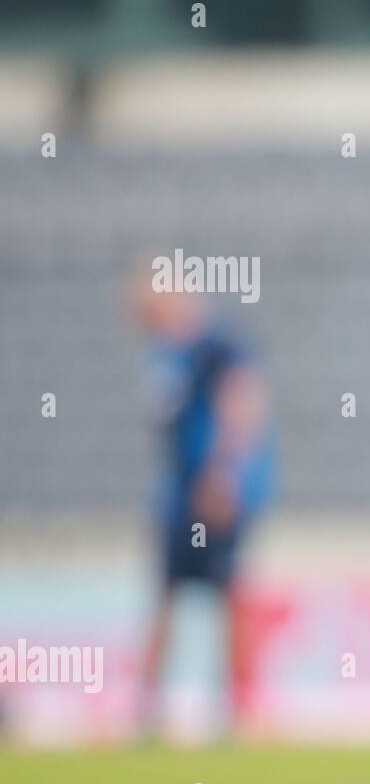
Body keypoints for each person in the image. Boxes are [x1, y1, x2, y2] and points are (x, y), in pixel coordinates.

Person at [128, 267, 275, 740]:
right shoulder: (170, 352)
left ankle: (240, 709)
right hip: (181, 493)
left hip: (213, 489)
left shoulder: (216, 346)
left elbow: (244, 403)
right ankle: (148, 711)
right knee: (168, 594)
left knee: (229, 592)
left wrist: (224, 472)